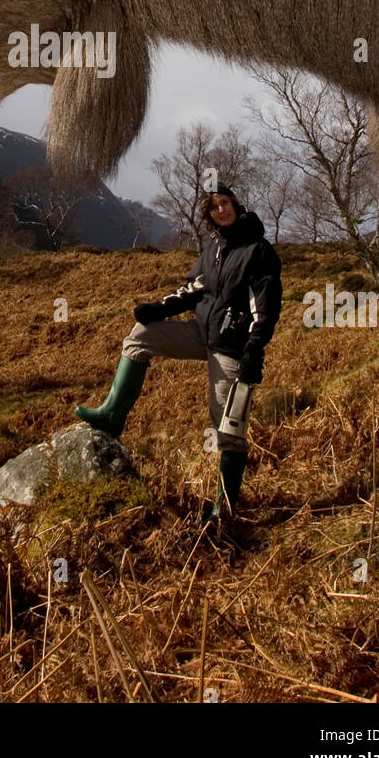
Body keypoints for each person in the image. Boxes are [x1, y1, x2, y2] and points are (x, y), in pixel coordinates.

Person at [75, 183, 283, 525]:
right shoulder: (214, 246)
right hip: (200, 332)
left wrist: (253, 353)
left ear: (235, 204)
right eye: (213, 207)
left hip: (231, 347)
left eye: (225, 203)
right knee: (140, 336)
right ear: (208, 214)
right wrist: (159, 309)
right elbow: (196, 289)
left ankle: (225, 509)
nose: (221, 210)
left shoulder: (257, 250)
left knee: (229, 426)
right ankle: (113, 414)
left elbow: (265, 309)